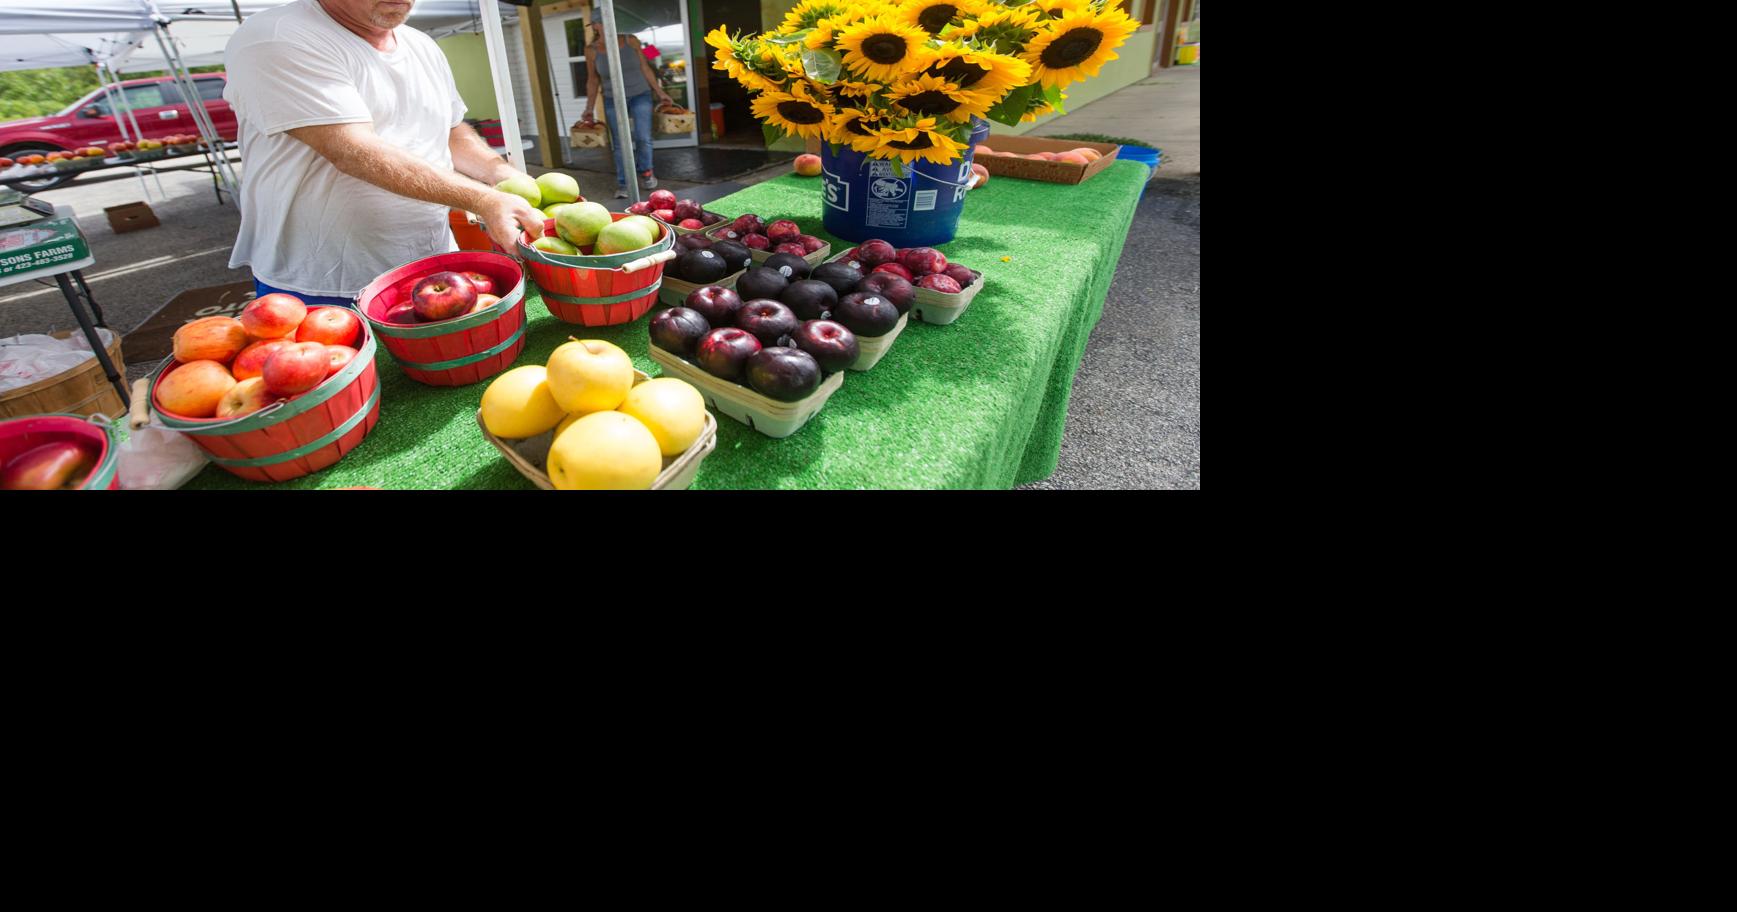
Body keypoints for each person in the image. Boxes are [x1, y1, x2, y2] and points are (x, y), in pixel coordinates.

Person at [223, 0, 544, 306]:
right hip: (323, 284)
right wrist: (483, 199)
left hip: (435, 266)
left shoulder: (421, 45)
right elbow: (350, 148)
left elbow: (450, 130)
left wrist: (499, 173)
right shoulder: (277, 36)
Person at [580, 9, 674, 199]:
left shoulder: (631, 40)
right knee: (619, 143)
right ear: (596, 27)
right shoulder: (591, 51)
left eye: (606, 22)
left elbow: (645, 67)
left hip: (640, 94)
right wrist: (589, 108)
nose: (602, 27)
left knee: (642, 136)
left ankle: (646, 171)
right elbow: (593, 80)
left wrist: (661, 92)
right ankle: (625, 183)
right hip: (612, 99)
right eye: (598, 24)